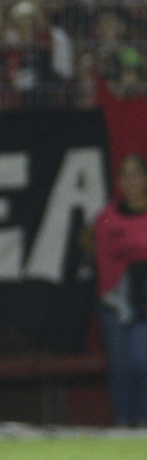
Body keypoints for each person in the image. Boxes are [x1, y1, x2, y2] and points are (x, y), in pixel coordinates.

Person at [92, 153, 147, 427]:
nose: (132, 181)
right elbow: (101, 257)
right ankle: (123, 423)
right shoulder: (107, 217)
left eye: (137, 174)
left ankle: (143, 421)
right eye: (125, 175)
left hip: (144, 302)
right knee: (121, 367)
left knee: (142, 362)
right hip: (114, 301)